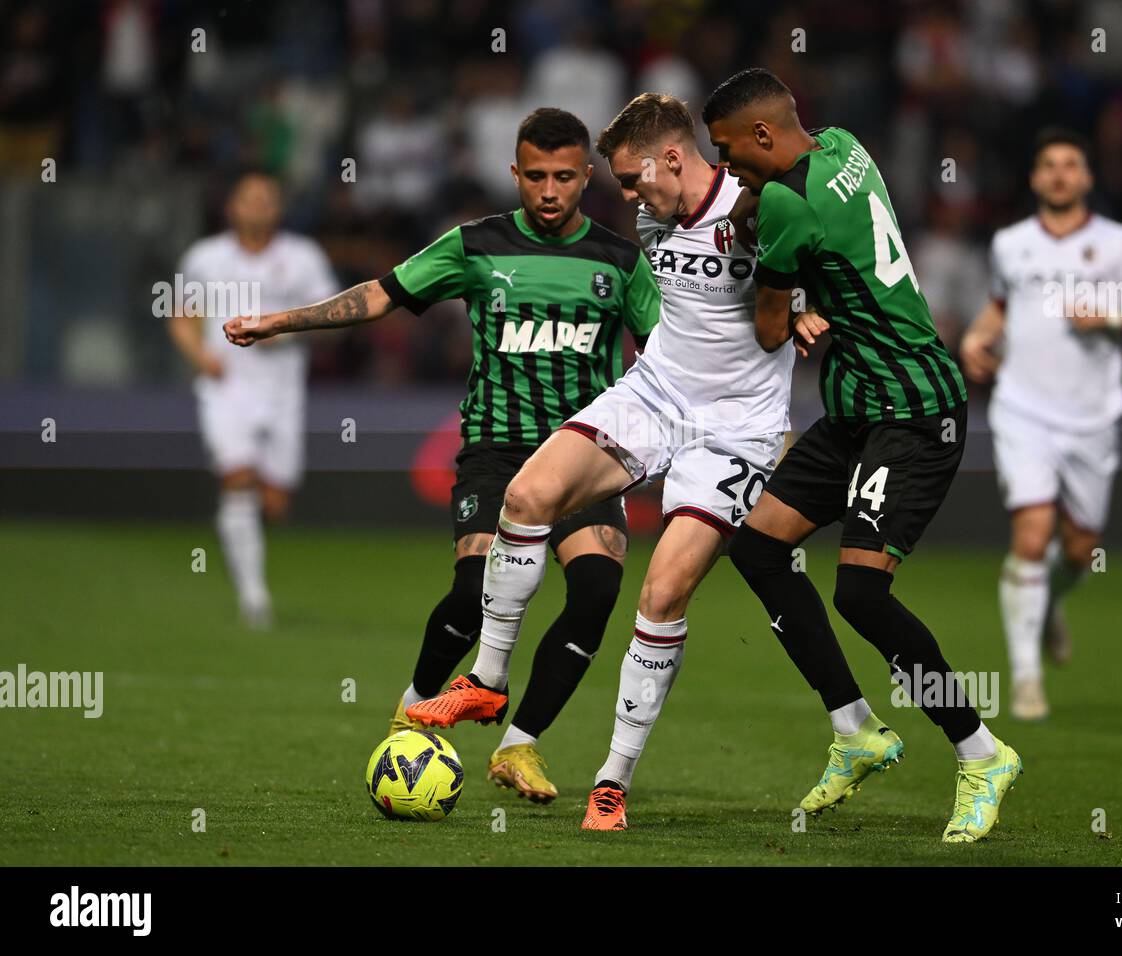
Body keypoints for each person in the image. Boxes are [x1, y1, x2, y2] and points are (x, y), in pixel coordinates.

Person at [224, 109, 661, 803]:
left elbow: (669, 355)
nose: (549, 191)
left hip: (585, 455)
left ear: (587, 176)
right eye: (536, 176)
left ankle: (519, 747)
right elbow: (381, 295)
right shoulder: (475, 244)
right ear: (514, 173)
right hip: (497, 450)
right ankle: (414, 708)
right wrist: (280, 322)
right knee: (473, 593)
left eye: (564, 177)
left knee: (596, 593)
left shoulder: (622, 262)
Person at [405, 92, 792, 830]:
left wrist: (806, 302)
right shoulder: (652, 218)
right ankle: (488, 678)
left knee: (659, 597)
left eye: (632, 179)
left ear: (671, 159)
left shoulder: (762, 209)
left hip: (735, 429)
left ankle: (612, 781)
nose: (628, 197)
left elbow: (820, 265)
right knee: (528, 494)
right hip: (655, 394)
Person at [704, 67, 1019, 843]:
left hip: (912, 413)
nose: (726, 169)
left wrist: (795, 302)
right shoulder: (845, 145)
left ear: (764, 135)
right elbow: (801, 234)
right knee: (759, 550)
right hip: (857, 410)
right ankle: (855, 729)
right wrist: (801, 285)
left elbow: (769, 330)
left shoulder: (786, 203)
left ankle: (982, 753)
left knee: (861, 595)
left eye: (730, 152)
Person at [961, 128, 1122, 720]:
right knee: (1031, 535)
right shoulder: (1011, 243)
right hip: (1022, 408)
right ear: (1035, 178)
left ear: (1087, 177)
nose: (1059, 174)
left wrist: (1108, 315)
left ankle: (1050, 601)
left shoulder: (1119, 244)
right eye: (1048, 165)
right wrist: (976, 337)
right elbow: (1000, 307)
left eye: (1070, 164)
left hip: (1091, 416)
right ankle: (1026, 679)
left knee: (1080, 550)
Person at [168, 171, 337, 629]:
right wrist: (201, 357)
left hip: (283, 390)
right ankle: (253, 596)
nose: (258, 206)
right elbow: (181, 316)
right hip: (227, 386)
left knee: (276, 502)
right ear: (232, 207)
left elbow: (332, 318)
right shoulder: (205, 257)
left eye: (267, 199)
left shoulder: (303, 258)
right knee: (238, 477)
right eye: (249, 199)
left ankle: (243, 539)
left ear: (279, 208)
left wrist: (284, 335)